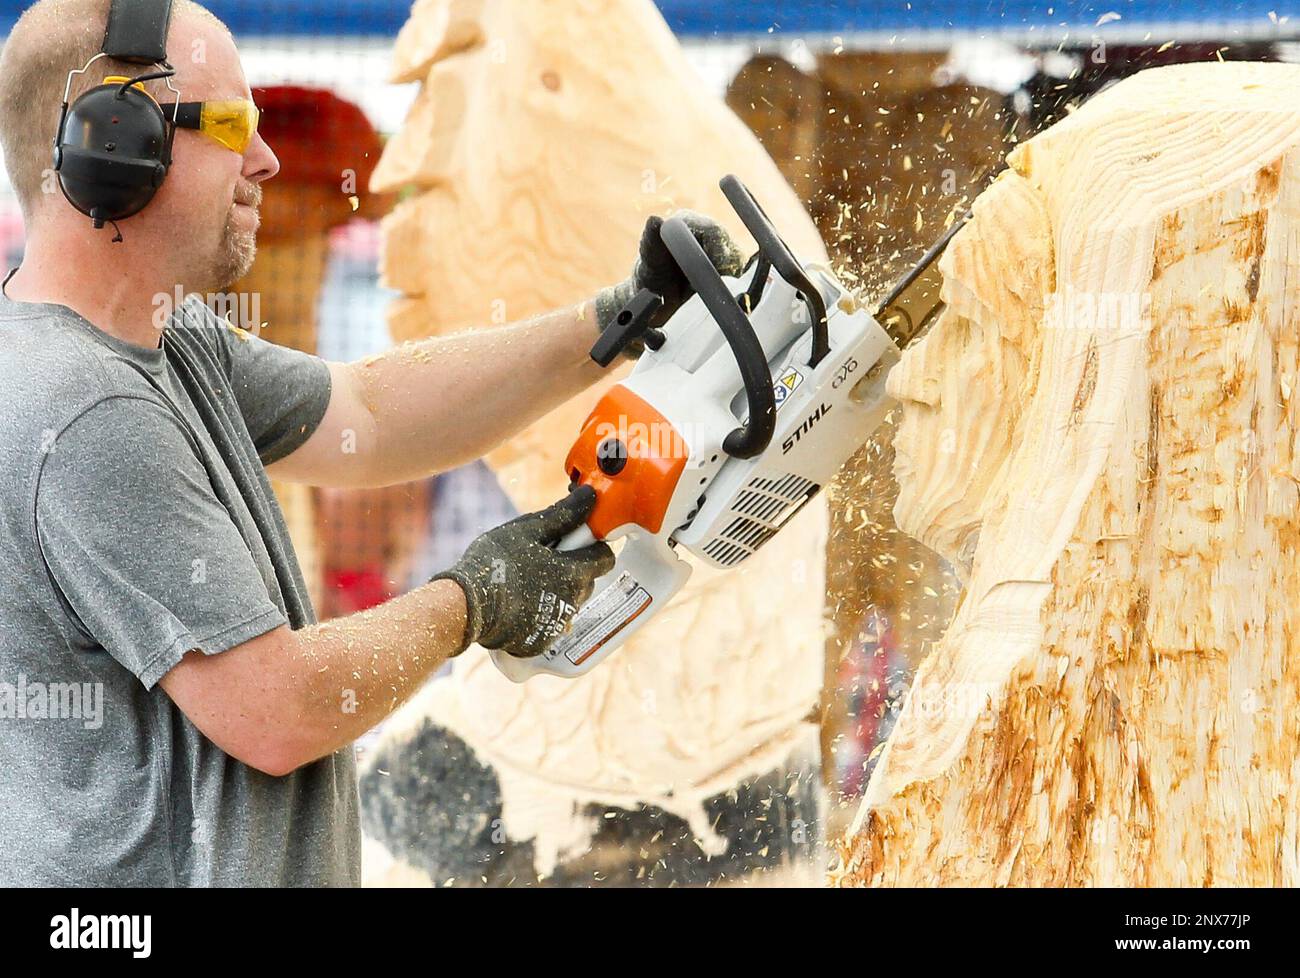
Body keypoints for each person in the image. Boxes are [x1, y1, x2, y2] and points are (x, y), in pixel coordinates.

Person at [0, 0, 742, 886]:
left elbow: (369, 411)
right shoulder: (86, 412)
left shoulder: (159, 338)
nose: (264, 159)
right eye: (231, 124)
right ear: (110, 141)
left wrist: (612, 321)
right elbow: (276, 712)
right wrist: (473, 600)